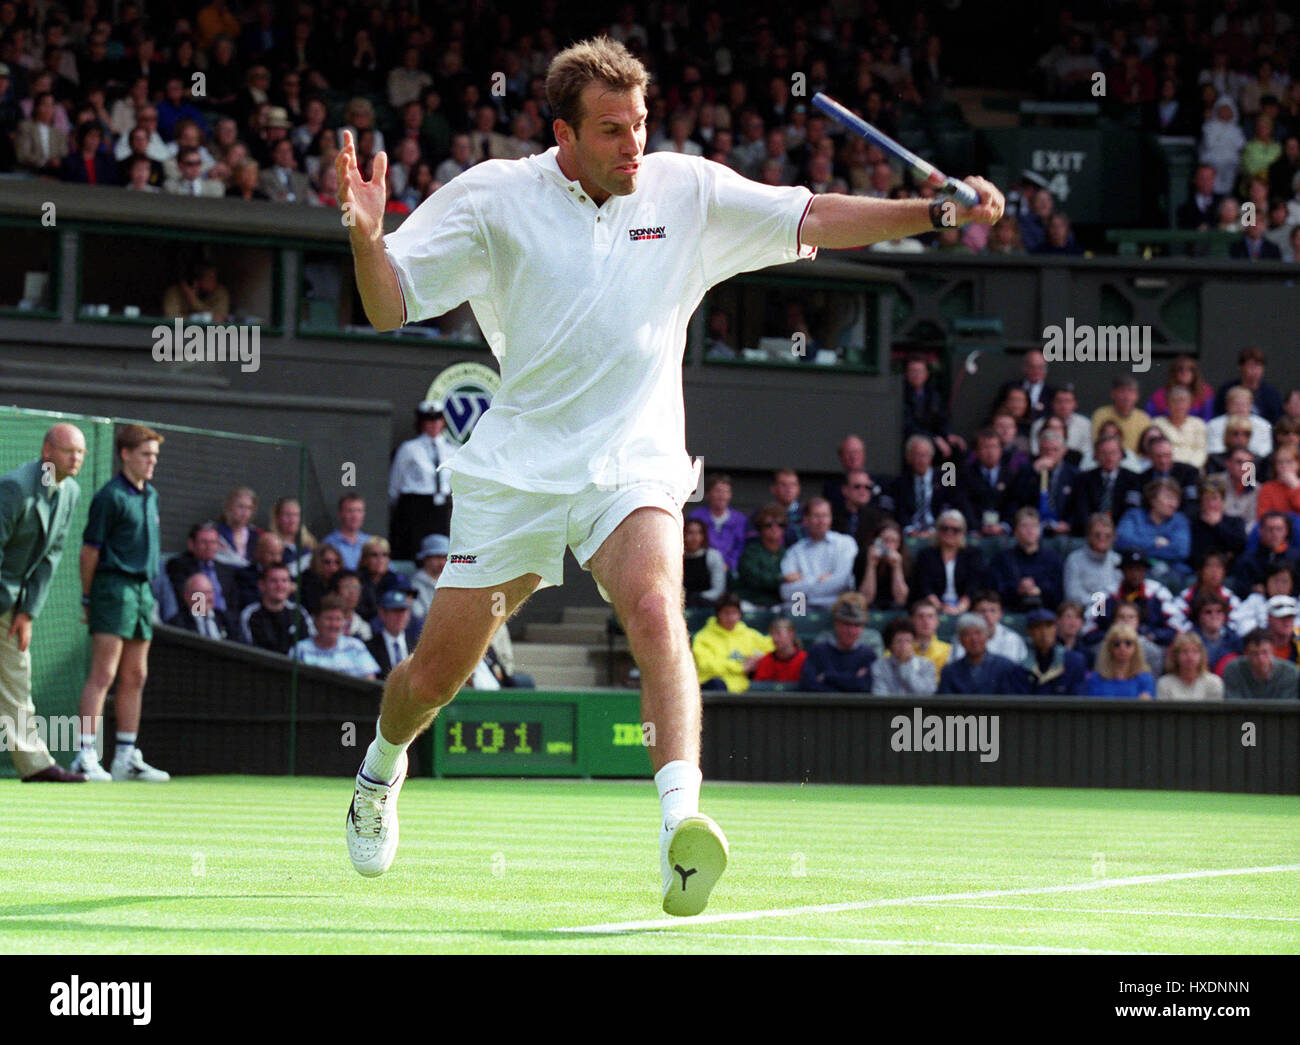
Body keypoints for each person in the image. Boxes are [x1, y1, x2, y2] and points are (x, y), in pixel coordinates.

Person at [334, 34, 1004, 916]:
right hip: (521, 472)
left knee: (657, 610)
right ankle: (380, 773)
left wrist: (934, 213)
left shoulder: (685, 191)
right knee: (431, 680)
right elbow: (388, 306)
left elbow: (812, 217)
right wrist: (366, 239)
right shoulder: (494, 198)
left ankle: (679, 832)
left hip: (633, 460)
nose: (632, 145)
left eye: (640, 124)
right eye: (611, 130)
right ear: (563, 134)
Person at [71, 425, 170, 782]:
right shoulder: (109, 496)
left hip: (143, 591)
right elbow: (89, 551)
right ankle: (84, 756)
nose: (151, 462)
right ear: (125, 454)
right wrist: (88, 597)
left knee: (136, 675)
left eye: (155, 456)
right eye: (145, 455)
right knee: (104, 673)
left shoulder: (151, 495)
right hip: (112, 588)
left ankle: (125, 758)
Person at [0, 424, 88, 782]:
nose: (77, 458)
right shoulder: (15, 488)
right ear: (47, 451)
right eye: (70, 451)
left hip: (11, 604)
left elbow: (51, 554)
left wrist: (27, 612)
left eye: (81, 452)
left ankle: (35, 766)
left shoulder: (70, 492)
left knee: (17, 679)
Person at [388, 400, 455, 558]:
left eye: (437, 419)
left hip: (441, 507)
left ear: (443, 421)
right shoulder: (409, 449)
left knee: (442, 549)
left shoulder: (451, 450)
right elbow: (394, 484)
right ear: (421, 423)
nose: (433, 424)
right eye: (428, 420)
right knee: (414, 549)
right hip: (415, 506)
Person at [779, 498, 858, 612]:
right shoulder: (795, 550)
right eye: (816, 516)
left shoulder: (845, 543)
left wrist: (803, 580)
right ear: (806, 519)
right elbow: (785, 591)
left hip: (836, 606)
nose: (821, 521)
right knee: (793, 608)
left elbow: (843, 583)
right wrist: (818, 580)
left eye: (825, 516)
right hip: (804, 605)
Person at [1115, 478, 1193, 589]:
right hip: (1136, 567)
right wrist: (1154, 542)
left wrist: (1141, 546)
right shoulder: (1133, 516)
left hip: (1170, 572)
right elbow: (1121, 541)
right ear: (1153, 499)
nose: (1173, 504)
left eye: (1176, 499)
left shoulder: (1180, 521)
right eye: (1169, 498)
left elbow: (1180, 550)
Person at [691, 593, 773, 692]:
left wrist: (759, 658)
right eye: (726, 613)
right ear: (718, 614)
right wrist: (740, 667)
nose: (731, 617)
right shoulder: (703, 637)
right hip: (713, 687)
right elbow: (706, 665)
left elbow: (773, 646)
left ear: (740, 614)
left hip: (741, 689)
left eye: (734, 613)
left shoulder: (749, 634)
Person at [989, 508, 1064, 613]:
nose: (1030, 530)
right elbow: (995, 592)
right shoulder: (1002, 559)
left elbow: (1059, 593)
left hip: (1047, 611)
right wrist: (1018, 590)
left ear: (1039, 530)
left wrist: (1039, 590)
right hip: (1011, 610)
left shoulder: (1053, 559)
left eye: (1034, 525)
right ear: (1015, 532)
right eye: (1024, 526)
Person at [166, 521, 239, 625]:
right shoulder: (179, 566)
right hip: (195, 622)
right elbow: (184, 600)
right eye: (204, 542)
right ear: (191, 544)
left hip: (225, 624)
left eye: (213, 542)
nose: (209, 547)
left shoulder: (226, 571)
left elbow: (234, 605)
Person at [798, 595, 875, 693]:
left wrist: (827, 677)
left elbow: (866, 687)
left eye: (856, 625)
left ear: (863, 628)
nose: (851, 631)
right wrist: (853, 680)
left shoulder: (868, 655)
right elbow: (807, 685)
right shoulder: (818, 651)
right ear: (836, 624)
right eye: (846, 624)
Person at [292, 595, 380, 679]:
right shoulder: (300, 649)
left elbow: (369, 679)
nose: (334, 624)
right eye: (329, 619)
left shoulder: (355, 646)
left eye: (338, 619)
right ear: (316, 621)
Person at [937, 613, 1026, 694]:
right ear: (960, 640)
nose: (974, 639)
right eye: (967, 634)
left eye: (978, 633)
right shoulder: (950, 671)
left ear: (987, 636)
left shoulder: (1006, 667)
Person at [240, 562, 313, 655]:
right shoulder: (250, 615)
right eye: (274, 581)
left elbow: (309, 646)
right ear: (262, 585)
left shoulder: (299, 613)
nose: (280, 586)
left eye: (284, 581)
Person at [688, 474, 748, 572]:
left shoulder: (739, 519)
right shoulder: (697, 516)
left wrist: (729, 564)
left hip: (732, 570)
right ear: (708, 495)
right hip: (702, 568)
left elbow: (740, 547)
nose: (722, 495)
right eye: (718, 491)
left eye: (726, 491)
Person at [1021, 608, 1087, 695]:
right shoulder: (1020, 663)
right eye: (1038, 627)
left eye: (1048, 626)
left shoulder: (1074, 661)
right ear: (1029, 631)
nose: (1044, 632)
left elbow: (1079, 699)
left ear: (1055, 629)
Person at [951, 589, 1029, 664]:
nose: (988, 616)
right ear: (973, 613)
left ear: (1000, 613)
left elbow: (1009, 670)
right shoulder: (963, 637)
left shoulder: (1011, 638)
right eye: (982, 611)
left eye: (993, 611)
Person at [1220, 628, 1300, 700]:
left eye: (1265, 652)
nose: (1260, 659)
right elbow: (1233, 706)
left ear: (1272, 650)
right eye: (1254, 653)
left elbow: (1288, 708)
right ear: (1246, 653)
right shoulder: (1234, 670)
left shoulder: (1289, 672)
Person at [1063, 513, 1122, 608]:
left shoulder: (1117, 560)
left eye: (1107, 535)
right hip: (1082, 611)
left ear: (1114, 537)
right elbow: (1072, 595)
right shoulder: (1074, 559)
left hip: (1111, 611)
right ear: (1088, 536)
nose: (1102, 539)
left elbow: (1119, 591)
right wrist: (1099, 603)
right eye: (1097, 535)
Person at [1213, 347, 1283, 424]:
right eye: (1250, 366)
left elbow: (1276, 420)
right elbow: (1219, 415)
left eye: (1258, 366)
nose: (1254, 371)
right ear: (1240, 367)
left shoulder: (1272, 394)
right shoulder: (1227, 390)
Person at [1084, 624, 1155, 699]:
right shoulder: (1096, 679)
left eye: (1128, 643)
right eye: (1117, 644)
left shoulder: (1146, 679)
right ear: (1109, 647)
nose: (1122, 648)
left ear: (1135, 648)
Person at [870, 617, 938, 696]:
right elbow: (880, 695)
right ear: (890, 644)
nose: (904, 646)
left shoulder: (926, 664)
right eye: (899, 641)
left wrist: (905, 666)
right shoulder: (879, 666)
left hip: (917, 707)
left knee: (919, 708)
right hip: (890, 707)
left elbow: (927, 694)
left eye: (908, 641)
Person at [366, 589, 423, 681]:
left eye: (403, 610)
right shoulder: (370, 647)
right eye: (394, 611)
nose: (400, 616)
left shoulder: (417, 647)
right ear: (382, 613)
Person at [1151, 387, 1208, 470]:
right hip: (1165, 468)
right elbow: (1155, 450)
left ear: (1189, 404)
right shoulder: (1157, 423)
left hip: (1193, 469)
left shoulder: (1198, 424)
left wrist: (1189, 468)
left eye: (1183, 401)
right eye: (1174, 401)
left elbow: (1201, 450)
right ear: (1167, 404)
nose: (1179, 405)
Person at [857, 521, 910, 611]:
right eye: (885, 540)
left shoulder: (906, 561)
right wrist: (871, 565)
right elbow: (866, 599)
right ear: (876, 541)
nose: (888, 546)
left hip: (895, 608)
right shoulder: (863, 558)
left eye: (894, 541)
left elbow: (901, 600)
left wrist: (897, 567)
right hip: (869, 607)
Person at [1090, 376, 1151, 453]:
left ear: (1137, 396)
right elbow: (1096, 444)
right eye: (1122, 391)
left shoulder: (1144, 418)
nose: (1127, 396)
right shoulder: (1100, 415)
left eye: (1131, 391)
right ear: (1113, 394)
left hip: (1137, 463)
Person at [162, 264, 231, 322]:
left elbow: (220, 318)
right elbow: (171, 319)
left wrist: (193, 301)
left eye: (214, 277)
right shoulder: (174, 292)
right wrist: (198, 318)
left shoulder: (220, 292)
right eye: (209, 278)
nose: (214, 281)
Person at [683, 517, 727, 608]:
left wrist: (699, 597)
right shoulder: (676, 557)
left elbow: (718, 590)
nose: (695, 537)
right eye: (690, 532)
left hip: (708, 604)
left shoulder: (713, 556)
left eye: (699, 533)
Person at [751, 617, 806, 687]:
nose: (775, 638)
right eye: (772, 634)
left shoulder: (805, 659)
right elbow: (759, 689)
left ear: (791, 634)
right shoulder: (765, 661)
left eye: (778, 634)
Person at [216, 485, 262, 567]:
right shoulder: (216, 533)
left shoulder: (257, 535)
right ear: (229, 507)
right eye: (240, 506)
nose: (245, 512)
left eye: (249, 508)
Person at [322, 493, 371, 571]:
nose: (355, 516)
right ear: (340, 514)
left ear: (363, 514)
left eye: (359, 511)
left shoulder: (371, 542)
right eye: (350, 511)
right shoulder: (329, 543)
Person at [410, 533, 448, 620]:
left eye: (445, 557)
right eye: (438, 557)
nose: (442, 562)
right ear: (426, 558)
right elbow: (417, 613)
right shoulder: (414, 584)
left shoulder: (451, 581)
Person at [910, 599, 953, 674]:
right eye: (920, 616)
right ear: (912, 620)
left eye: (930, 616)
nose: (925, 621)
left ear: (937, 622)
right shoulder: (897, 652)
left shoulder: (949, 651)